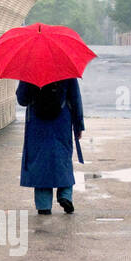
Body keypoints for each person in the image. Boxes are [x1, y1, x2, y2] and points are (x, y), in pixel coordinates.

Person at [17, 77, 84, 215]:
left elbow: (22, 99)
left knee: (40, 161)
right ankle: (65, 195)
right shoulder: (66, 69)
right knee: (62, 158)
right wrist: (78, 125)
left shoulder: (30, 69)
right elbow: (75, 98)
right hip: (61, 121)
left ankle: (44, 205)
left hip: (37, 124)